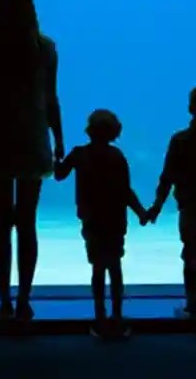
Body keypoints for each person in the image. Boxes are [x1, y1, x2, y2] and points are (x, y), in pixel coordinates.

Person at [0, 0, 64, 324]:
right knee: (27, 222)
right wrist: (59, 141)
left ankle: (4, 300)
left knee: (1, 221)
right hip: (32, 140)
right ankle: (24, 299)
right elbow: (51, 99)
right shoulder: (46, 48)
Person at [54, 109, 148, 339]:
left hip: (91, 219)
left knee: (97, 267)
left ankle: (99, 317)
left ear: (89, 130)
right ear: (115, 132)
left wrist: (56, 154)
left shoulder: (78, 154)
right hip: (115, 219)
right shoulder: (117, 156)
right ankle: (117, 316)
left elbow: (58, 175)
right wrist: (141, 212)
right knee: (114, 267)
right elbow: (126, 191)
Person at [145, 84, 196, 323]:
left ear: (190, 107)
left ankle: (191, 305)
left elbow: (167, 175)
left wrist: (157, 206)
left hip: (190, 206)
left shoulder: (180, 139)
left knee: (190, 254)